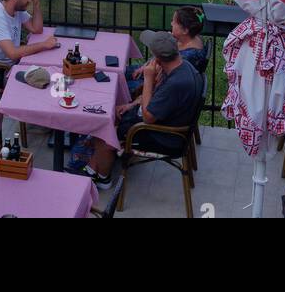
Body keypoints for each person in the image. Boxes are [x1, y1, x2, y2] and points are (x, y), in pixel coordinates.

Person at [82, 29, 204, 184]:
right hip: (165, 120)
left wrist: (148, 78)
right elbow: (157, 99)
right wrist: (131, 104)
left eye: (153, 55)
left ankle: (101, 177)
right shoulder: (181, 65)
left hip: (163, 137)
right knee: (111, 113)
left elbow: (148, 117)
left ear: (158, 59)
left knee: (104, 129)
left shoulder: (175, 84)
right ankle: (101, 160)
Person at [124, 5, 206, 95]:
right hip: (149, 71)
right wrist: (143, 67)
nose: (171, 24)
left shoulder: (190, 56)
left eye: (174, 22)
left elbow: (160, 80)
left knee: (118, 86)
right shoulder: (189, 38)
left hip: (152, 84)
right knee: (120, 71)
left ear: (185, 30)